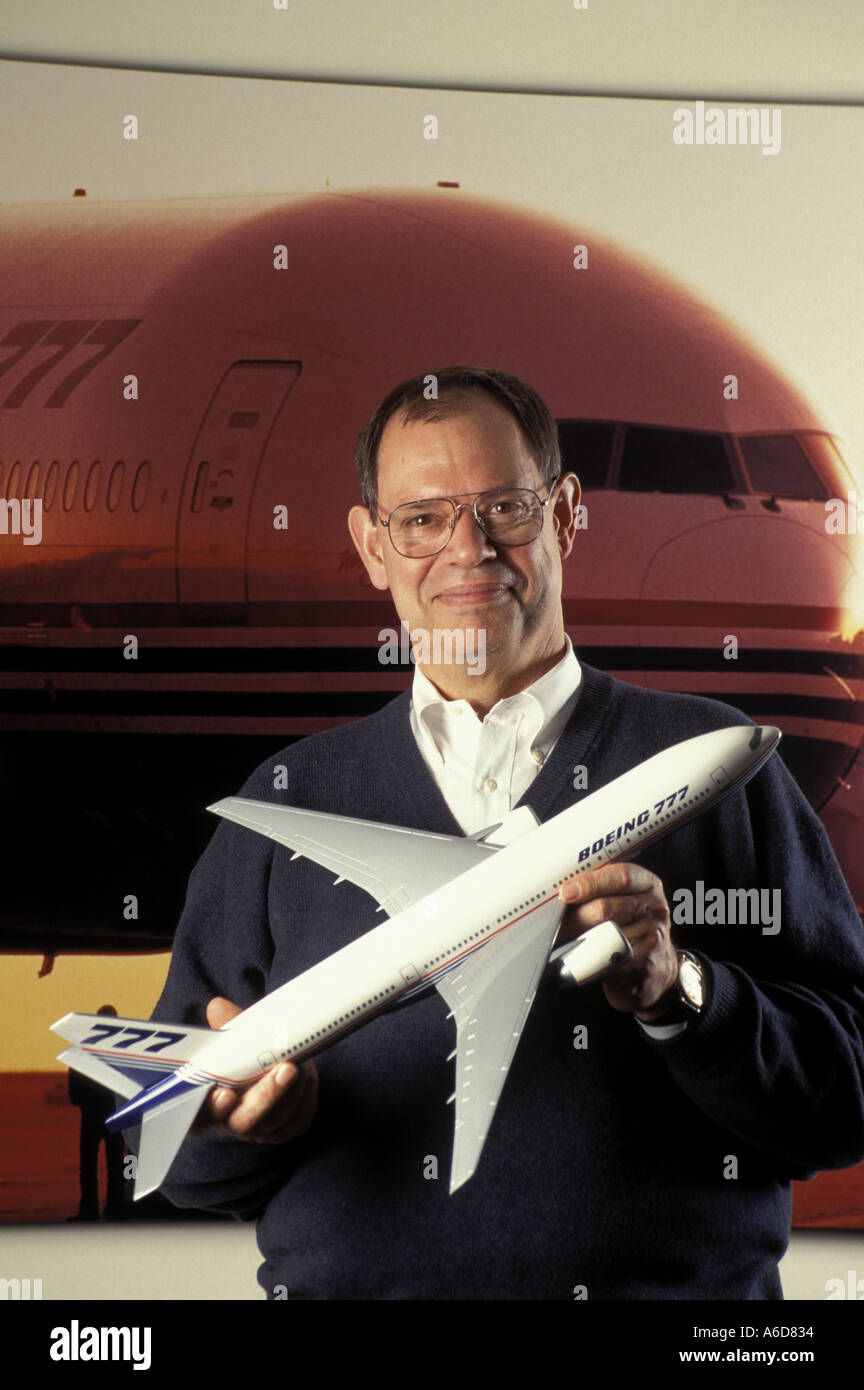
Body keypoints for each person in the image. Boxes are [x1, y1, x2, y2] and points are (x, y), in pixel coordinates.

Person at [151, 366, 864, 1299]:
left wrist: (682, 996)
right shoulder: (287, 804)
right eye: (422, 519)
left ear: (565, 514)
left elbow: (845, 1106)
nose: (467, 549)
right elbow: (174, 1160)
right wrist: (254, 1129)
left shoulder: (725, 779)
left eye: (505, 507)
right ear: (371, 546)